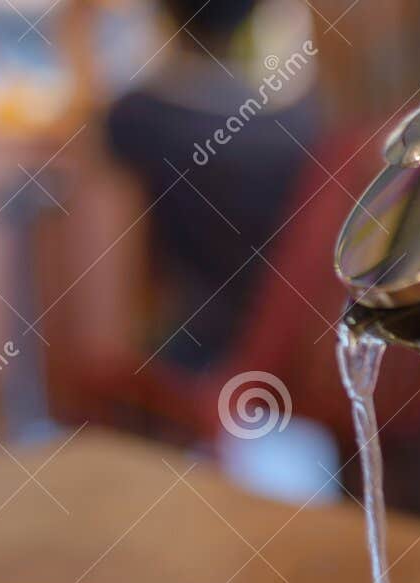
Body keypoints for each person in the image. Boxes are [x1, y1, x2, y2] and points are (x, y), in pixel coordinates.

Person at [104, 0, 320, 371]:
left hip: (196, 360)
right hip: (303, 357)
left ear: (162, 13)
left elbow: (111, 290)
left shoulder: (137, 118)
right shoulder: (304, 122)